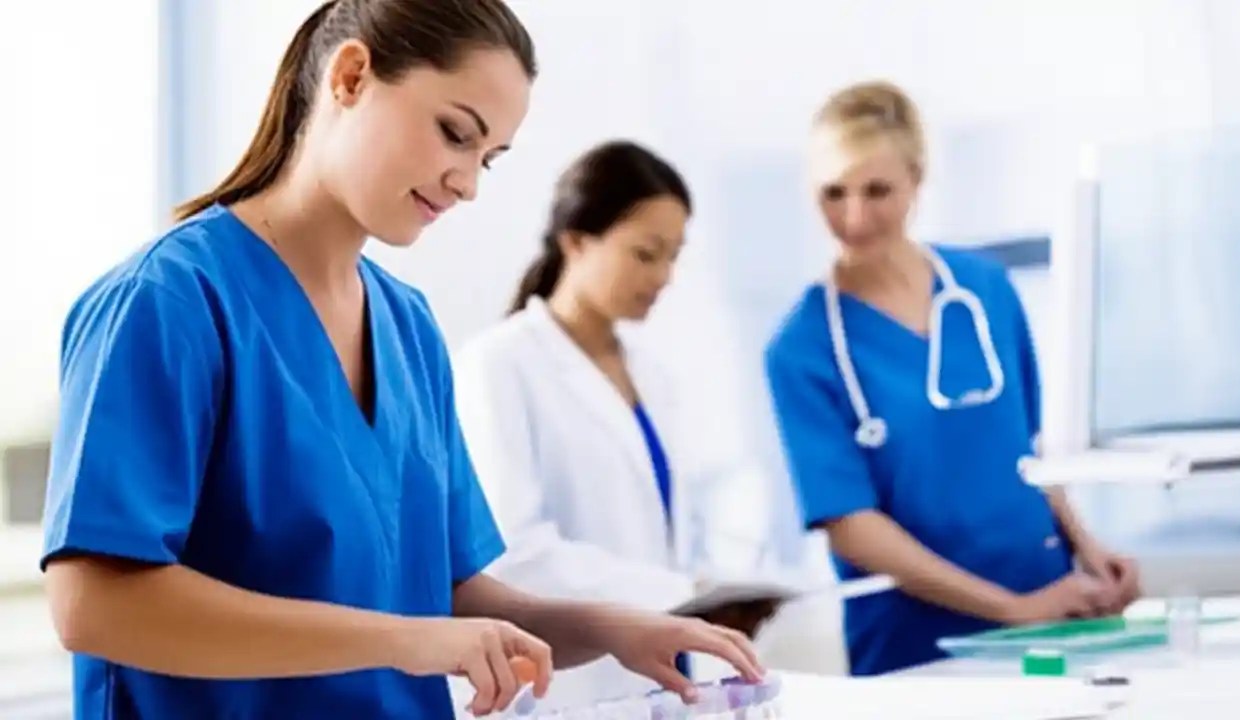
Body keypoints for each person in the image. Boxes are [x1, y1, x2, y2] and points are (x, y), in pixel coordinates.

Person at [38, 3, 763, 718]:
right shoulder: (168, 303)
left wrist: (609, 627)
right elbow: (94, 604)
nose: (467, 183)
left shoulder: (408, 327)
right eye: (455, 134)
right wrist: (400, 641)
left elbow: (448, 595)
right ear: (351, 77)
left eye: (489, 159)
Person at [763, 80, 1141, 676]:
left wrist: (1087, 551)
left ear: (917, 178)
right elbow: (852, 529)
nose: (853, 217)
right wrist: (1014, 609)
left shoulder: (985, 289)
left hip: (1051, 613)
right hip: (915, 646)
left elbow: (1032, 452)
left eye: (877, 190)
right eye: (833, 193)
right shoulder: (802, 348)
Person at [453, 140, 778, 708]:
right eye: (645, 253)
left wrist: (719, 592)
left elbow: (662, 536)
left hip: (660, 673)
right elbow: (512, 550)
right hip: (570, 680)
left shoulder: (653, 377)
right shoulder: (499, 366)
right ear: (576, 241)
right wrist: (681, 596)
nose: (664, 276)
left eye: (674, 255)